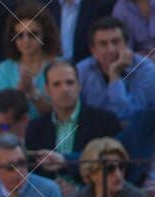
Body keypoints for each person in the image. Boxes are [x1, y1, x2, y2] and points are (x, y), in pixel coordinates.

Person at [25, 58, 123, 188]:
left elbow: (112, 164)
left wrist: (67, 164)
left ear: (79, 86)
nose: (64, 89)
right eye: (57, 84)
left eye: (70, 83)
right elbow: (32, 173)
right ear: (47, 90)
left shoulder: (105, 121)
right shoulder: (35, 128)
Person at [77, 17, 155, 126]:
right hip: (93, 133)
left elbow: (129, 116)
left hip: (134, 134)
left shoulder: (145, 69)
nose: (111, 49)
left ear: (126, 44)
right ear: (93, 50)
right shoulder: (82, 70)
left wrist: (114, 74)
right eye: (103, 44)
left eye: (116, 42)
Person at [0, 3, 56, 116]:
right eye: (19, 35)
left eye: (32, 34)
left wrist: (33, 93)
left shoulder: (58, 66)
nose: (26, 40)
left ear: (45, 34)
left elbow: (62, 114)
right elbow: (0, 114)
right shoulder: (4, 69)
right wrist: (19, 93)